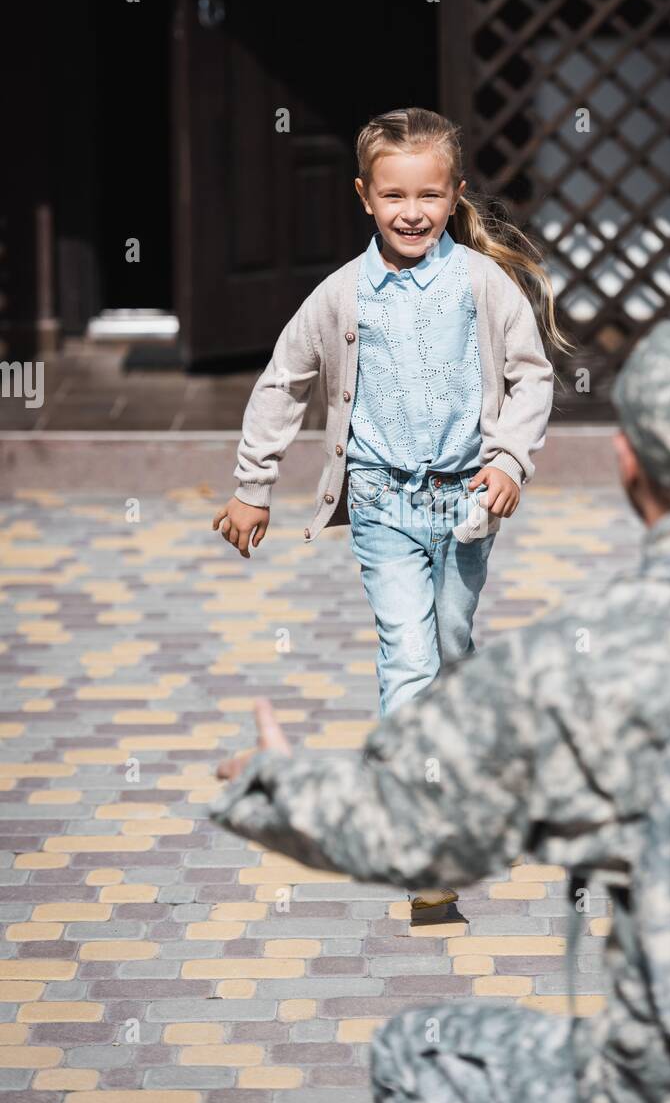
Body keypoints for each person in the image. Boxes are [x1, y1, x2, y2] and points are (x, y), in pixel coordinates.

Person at [210, 314, 670, 1103]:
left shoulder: (578, 659)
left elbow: (412, 834)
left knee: (426, 1057)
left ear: (628, 462)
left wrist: (277, 782)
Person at [212, 107, 559, 912]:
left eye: (429, 195)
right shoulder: (340, 296)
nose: (412, 211)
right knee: (407, 656)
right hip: (379, 502)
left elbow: (532, 376)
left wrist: (508, 458)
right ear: (364, 196)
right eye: (394, 195)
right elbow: (280, 384)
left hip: (465, 503)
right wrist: (250, 484)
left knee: (450, 647)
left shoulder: (481, 284)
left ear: (454, 196)